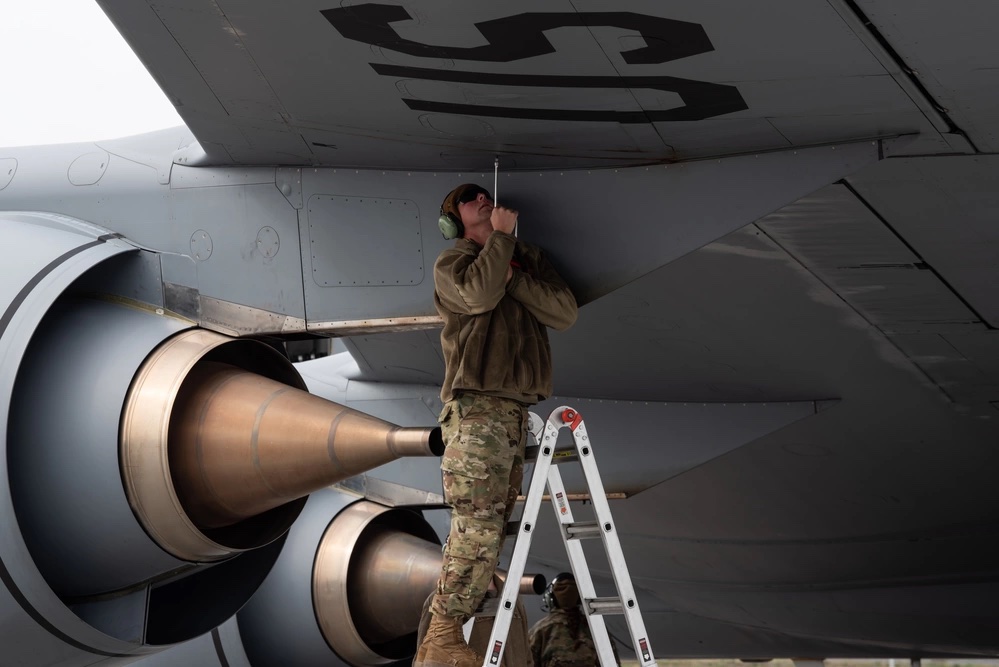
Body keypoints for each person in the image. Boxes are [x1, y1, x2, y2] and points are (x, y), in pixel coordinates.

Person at [416, 183, 578, 667]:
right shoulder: (453, 263)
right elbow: (478, 296)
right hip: (478, 409)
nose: (482, 200)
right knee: (478, 527)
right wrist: (501, 246)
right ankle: (442, 633)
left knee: (489, 528)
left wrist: (511, 267)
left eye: (485, 195)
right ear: (454, 220)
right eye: (469, 198)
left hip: (510, 413)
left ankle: (441, 640)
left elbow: (564, 312)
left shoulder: (524, 259)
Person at [529, 573, 621, 667]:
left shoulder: (540, 630)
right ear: (579, 598)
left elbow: (526, 661)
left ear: (550, 599)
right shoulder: (596, 629)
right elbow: (612, 663)